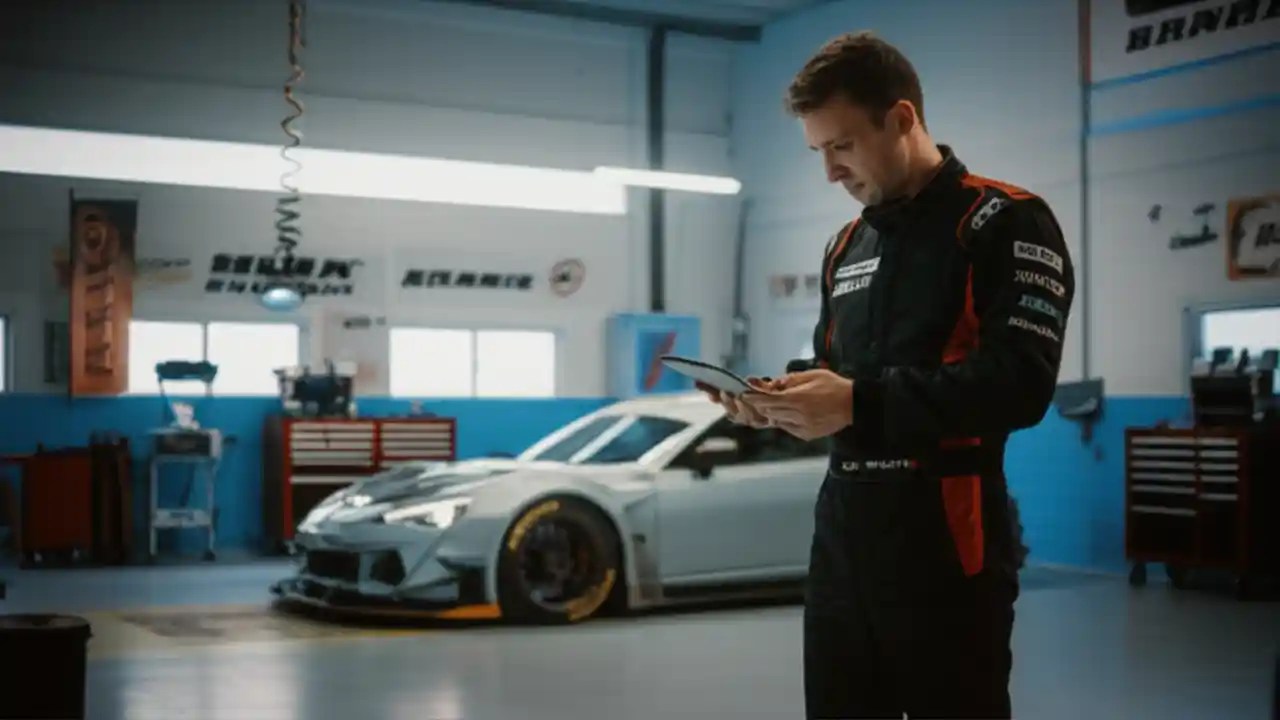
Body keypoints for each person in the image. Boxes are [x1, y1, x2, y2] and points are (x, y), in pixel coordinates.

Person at [700, 31, 1075, 719]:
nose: (830, 173)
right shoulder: (846, 246)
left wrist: (856, 402)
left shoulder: (1003, 221)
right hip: (842, 538)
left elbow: (1020, 384)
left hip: (947, 537)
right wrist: (773, 400)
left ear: (902, 120)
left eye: (840, 146)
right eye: (819, 152)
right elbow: (838, 374)